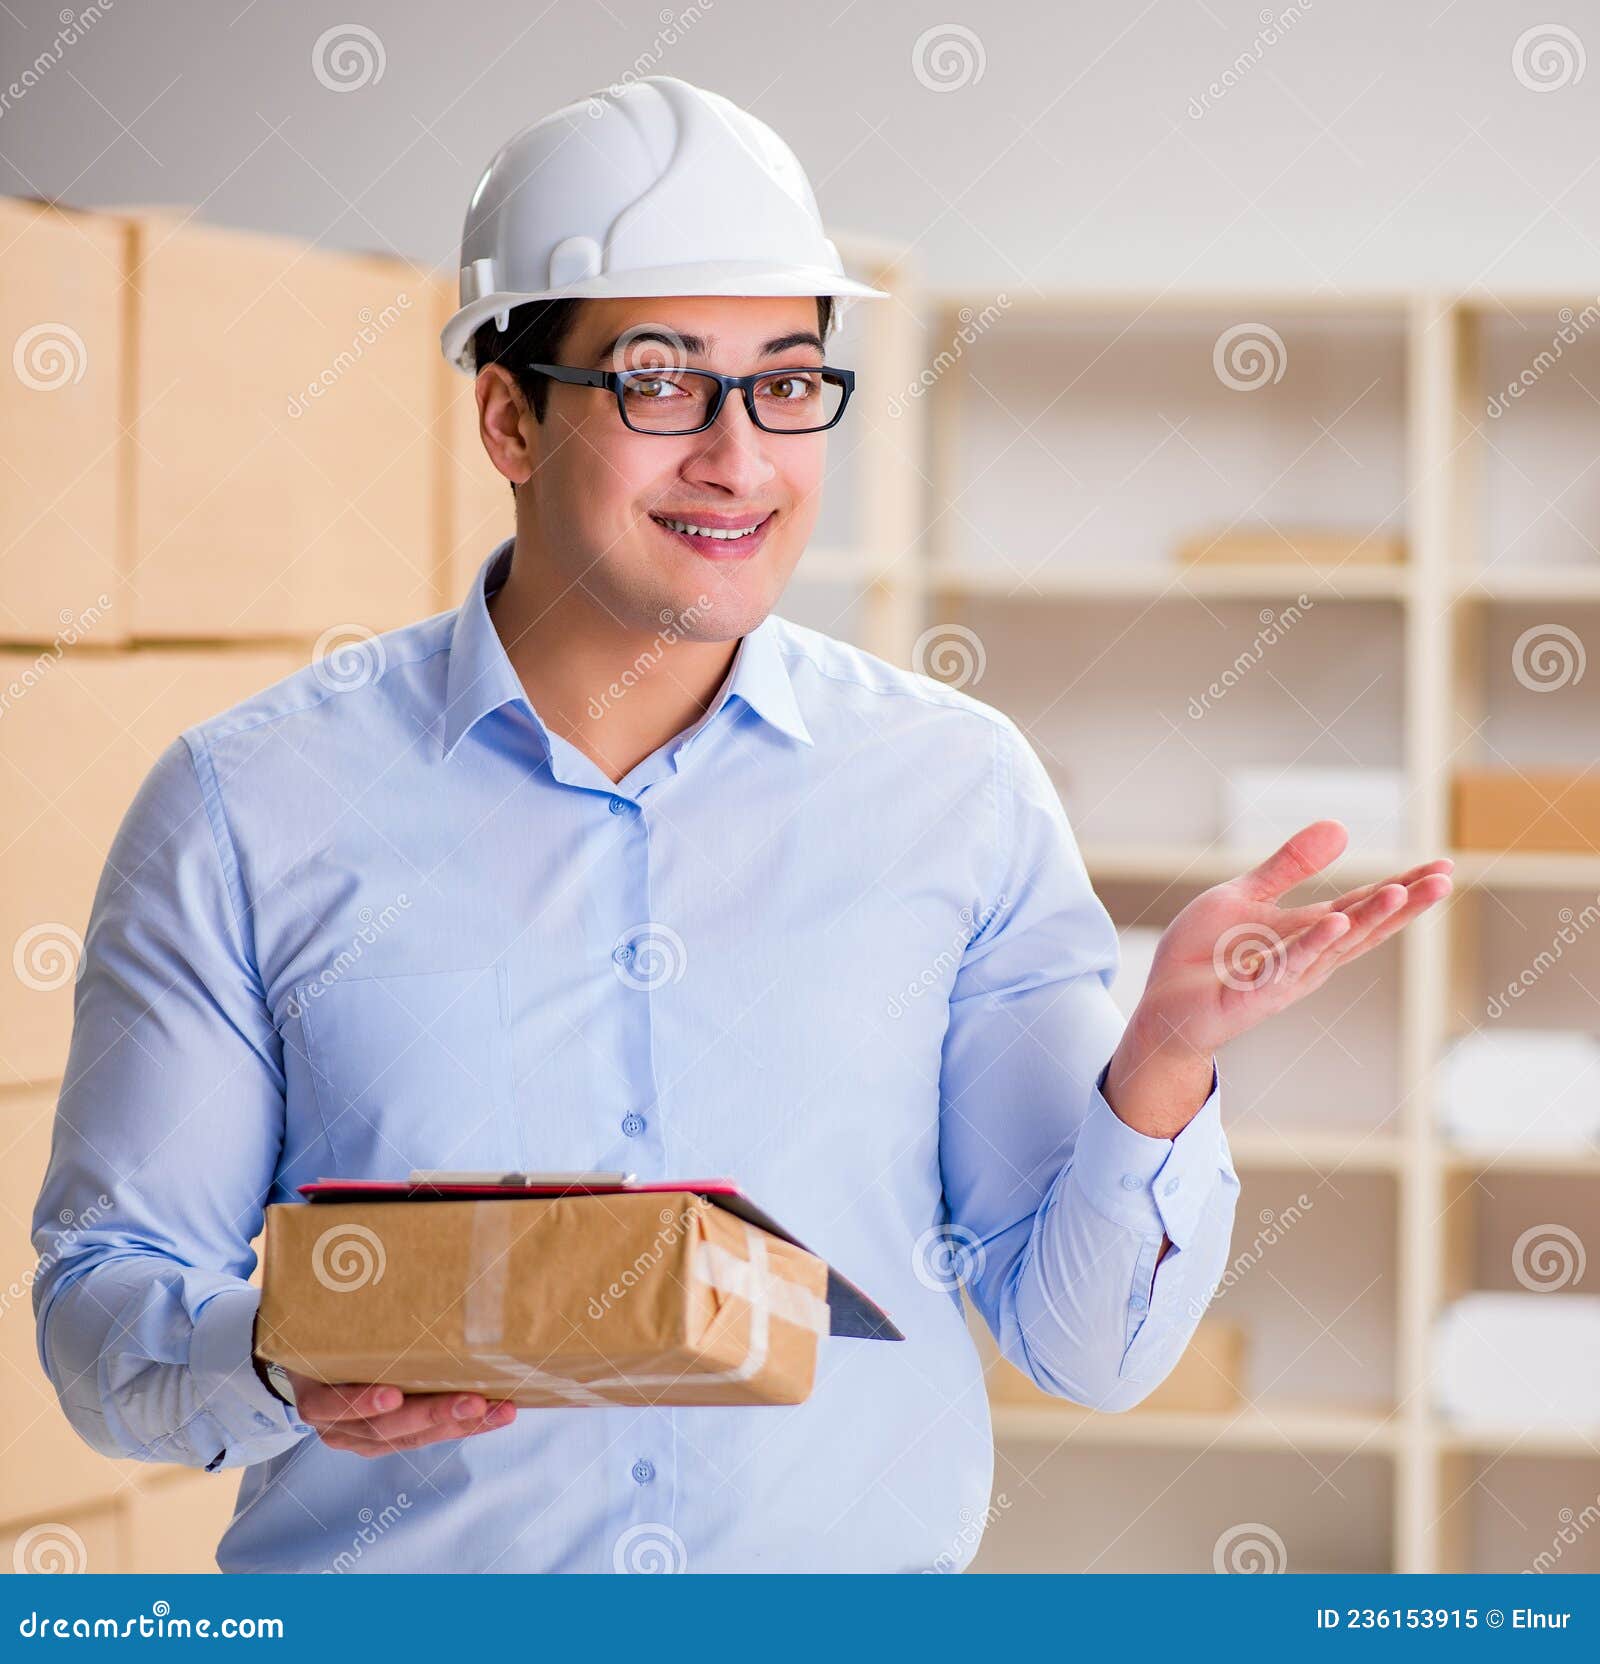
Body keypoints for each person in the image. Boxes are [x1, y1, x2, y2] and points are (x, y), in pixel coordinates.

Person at [30, 75, 1452, 1574]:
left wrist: (1162, 1067)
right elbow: (102, 1310)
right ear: (509, 415)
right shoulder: (253, 804)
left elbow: (1087, 1349)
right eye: (658, 383)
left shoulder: (953, 790)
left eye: (785, 383)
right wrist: (277, 1357)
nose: (738, 457)